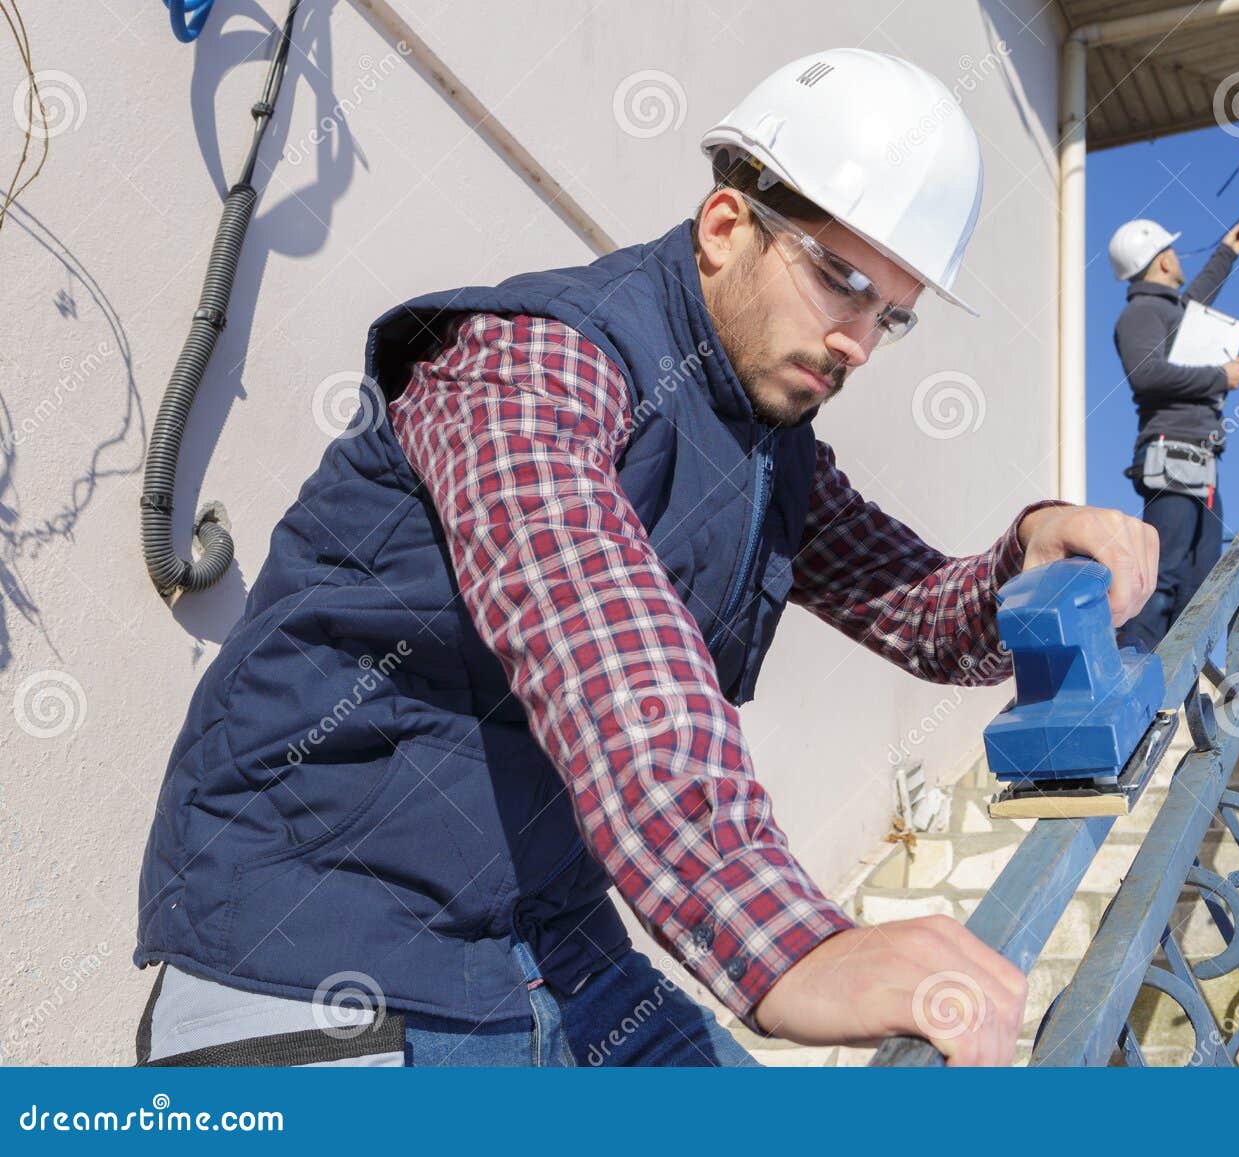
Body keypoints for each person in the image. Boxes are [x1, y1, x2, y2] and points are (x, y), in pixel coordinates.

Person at [132, 48, 1158, 1069]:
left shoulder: (770, 442)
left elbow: (918, 608)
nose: (858, 341)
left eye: (889, 314)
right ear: (725, 228)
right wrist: (792, 942)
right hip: (319, 958)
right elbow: (596, 630)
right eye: (841, 279)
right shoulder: (530, 362)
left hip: (559, 956)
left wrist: (1026, 550)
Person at [1107, 216, 1239, 654]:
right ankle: (1132, 663)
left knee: (1200, 573)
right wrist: (1218, 376)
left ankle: (1174, 667)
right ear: (1163, 260)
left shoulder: (1167, 311)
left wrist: (1227, 252)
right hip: (1173, 453)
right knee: (1164, 570)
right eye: (1172, 250)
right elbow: (1145, 375)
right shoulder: (1140, 313)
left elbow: (1196, 306)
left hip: (1199, 458)